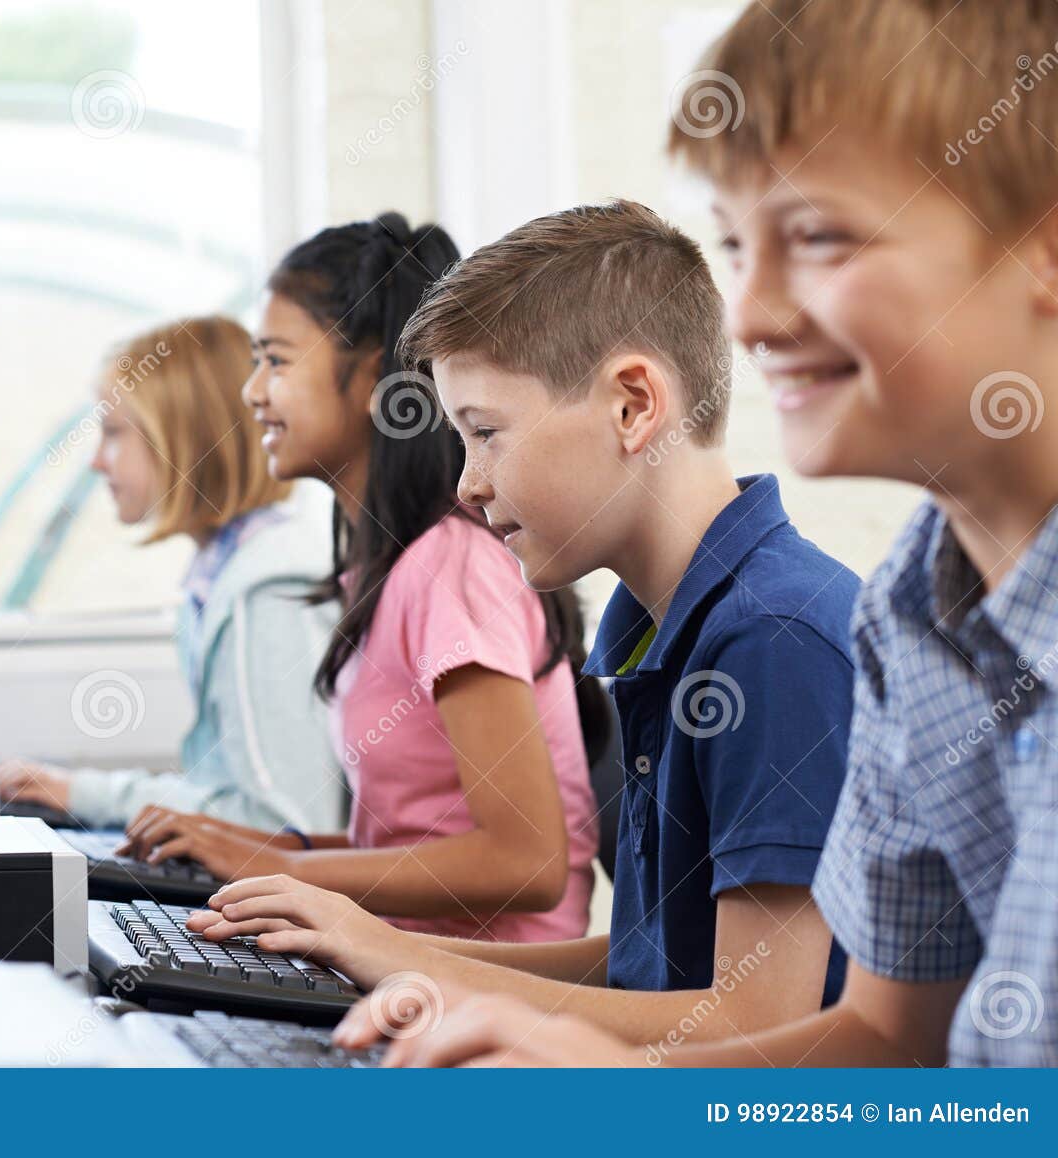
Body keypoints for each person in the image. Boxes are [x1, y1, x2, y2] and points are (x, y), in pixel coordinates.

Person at [380, 0, 1058, 1068]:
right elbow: (883, 1046)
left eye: (819, 238)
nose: (748, 315)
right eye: (739, 246)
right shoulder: (908, 616)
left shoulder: (783, 632)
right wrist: (586, 1073)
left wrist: (601, 1078)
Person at [203, 200, 860, 1047]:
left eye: (486, 433)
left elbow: (758, 1027)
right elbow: (647, 968)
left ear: (633, 407)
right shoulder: (664, 625)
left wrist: (408, 963)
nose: (468, 483)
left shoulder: (771, 637)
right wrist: (384, 952)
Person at [122, 213, 605, 943]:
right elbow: (410, 844)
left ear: (375, 375)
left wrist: (280, 866)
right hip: (405, 957)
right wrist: (261, 848)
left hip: (480, 983)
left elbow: (527, 861)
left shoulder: (451, 566)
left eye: (276, 361)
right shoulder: (387, 568)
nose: (252, 392)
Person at [0, 316, 344, 833]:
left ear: (185, 439)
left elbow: (283, 824)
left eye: (114, 433)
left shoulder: (266, 592)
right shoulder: (226, 571)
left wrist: (89, 794)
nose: (96, 461)